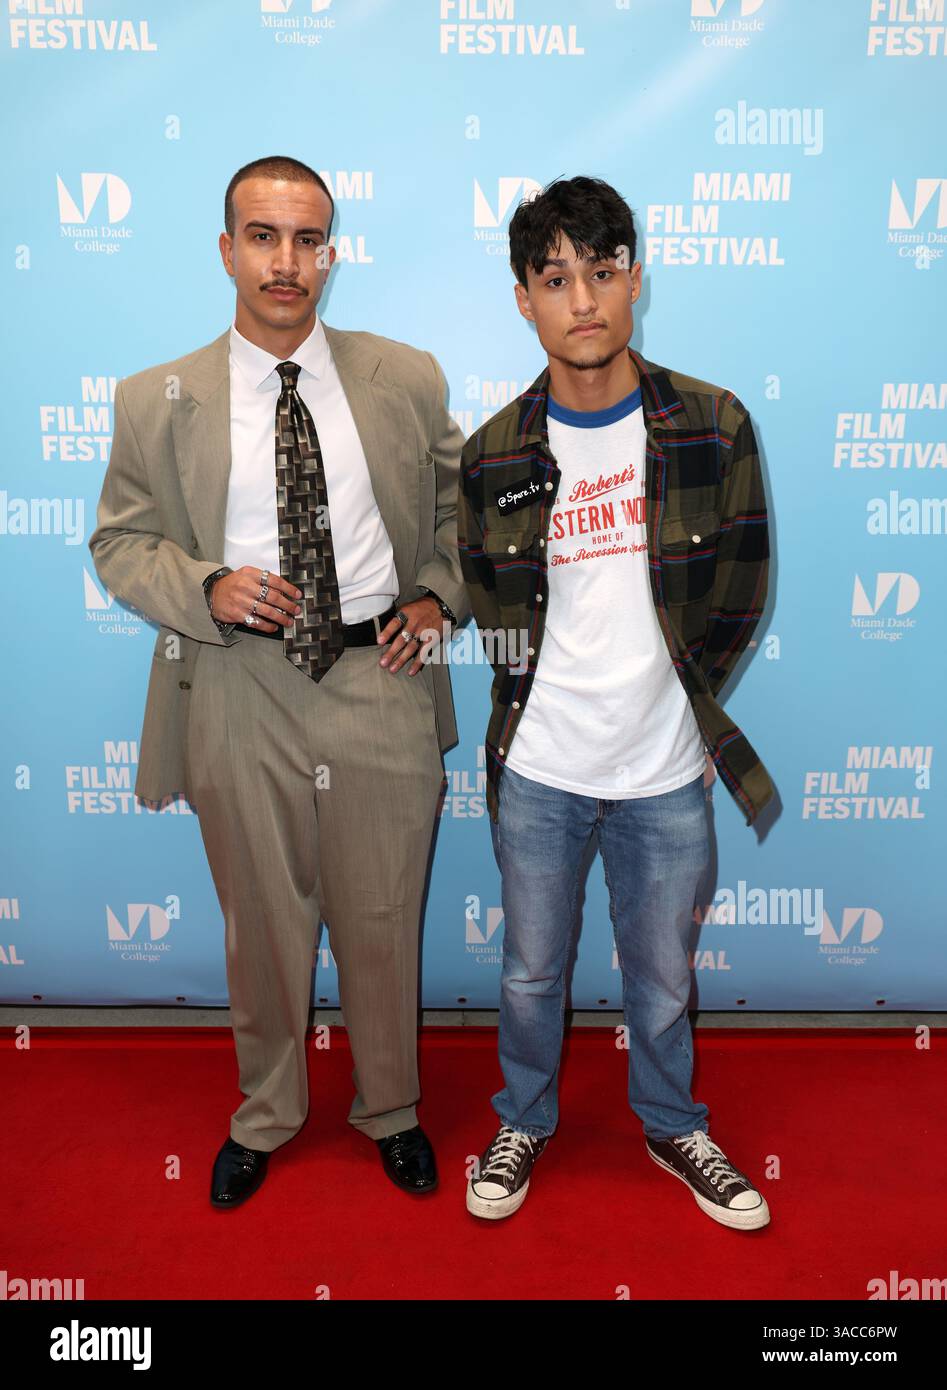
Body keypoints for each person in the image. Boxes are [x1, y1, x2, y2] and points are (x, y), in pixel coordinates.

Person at [89, 154, 469, 1208]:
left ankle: (390, 1107)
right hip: (235, 685)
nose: (284, 260)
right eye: (262, 236)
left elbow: (460, 523)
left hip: (377, 675)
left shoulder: (406, 379)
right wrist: (203, 583)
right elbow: (119, 542)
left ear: (331, 255)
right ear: (226, 250)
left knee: (384, 913)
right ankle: (265, 1112)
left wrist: (435, 597)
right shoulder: (152, 399)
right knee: (261, 919)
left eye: (306, 239)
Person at [456, 176, 775, 1229]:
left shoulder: (712, 425)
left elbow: (742, 585)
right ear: (523, 300)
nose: (581, 298)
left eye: (600, 271)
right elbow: (492, 604)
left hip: (663, 770)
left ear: (635, 278)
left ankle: (672, 1120)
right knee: (527, 972)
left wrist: (680, 702)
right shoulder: (494, 451)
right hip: (539, 768)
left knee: (664, 977)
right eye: (554, 278)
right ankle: (523, 1117)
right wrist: (534, 705)